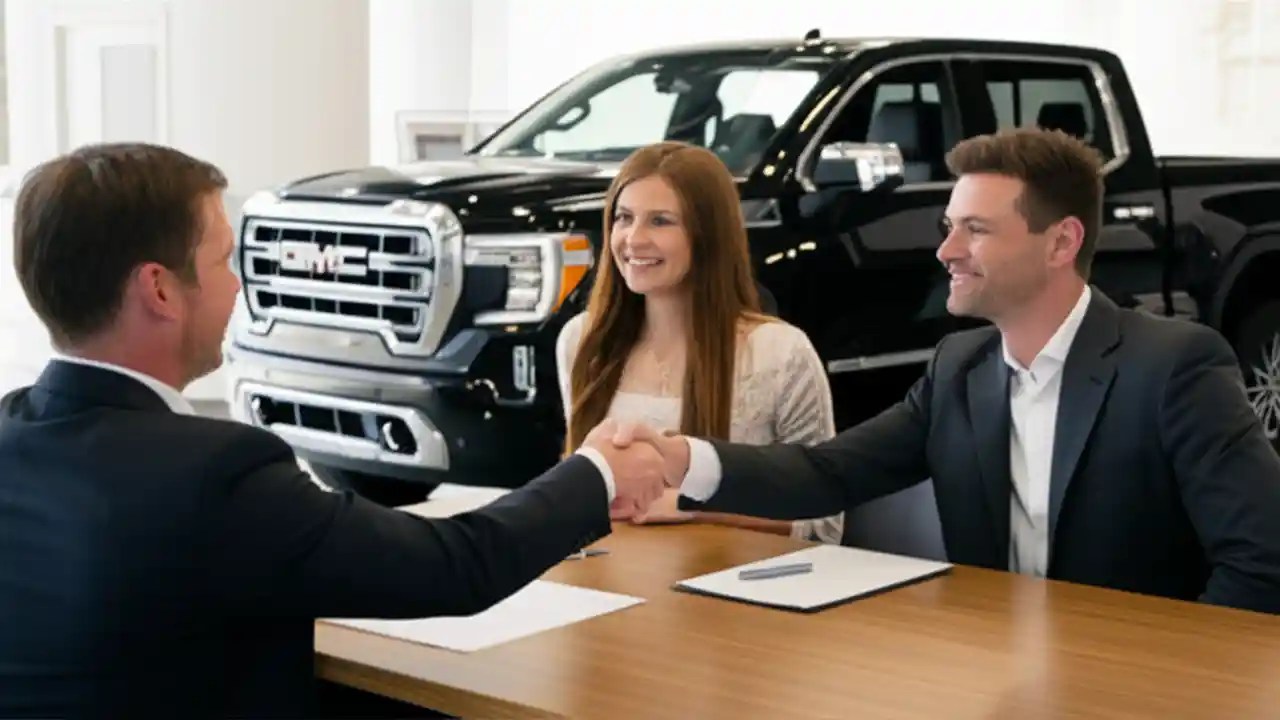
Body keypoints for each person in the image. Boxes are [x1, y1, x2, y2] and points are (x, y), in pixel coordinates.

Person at [0, 143, 668, 719]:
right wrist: (598, 472)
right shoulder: (212, 474)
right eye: (223, 262)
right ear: (160, 290)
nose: (237, 289)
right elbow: (456, 568)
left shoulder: (11, 435)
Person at [610, 127, 1280, 614]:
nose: (946, 250)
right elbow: (827, 474)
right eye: (948, 225)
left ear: (1062, 242)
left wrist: (1177, 688)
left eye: (976, 230)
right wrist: (679, 458)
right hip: (992, 674)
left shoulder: (1175, 367)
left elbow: (1262, 564)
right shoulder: (960, 368)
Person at [556, 141, 843, 543]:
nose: (633, 239)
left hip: (731, 589)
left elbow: (824, 524)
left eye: (660, 221)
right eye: (624, 218)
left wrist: (692, 509)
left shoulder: (780, 354)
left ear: (708, 235)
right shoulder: (580, 341)